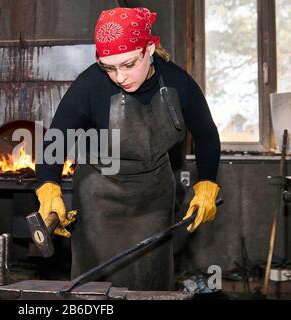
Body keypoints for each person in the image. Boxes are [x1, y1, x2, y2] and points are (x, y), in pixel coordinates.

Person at [35, 7, 221, 291]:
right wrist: (48, 186)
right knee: (95, 288)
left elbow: (207, 135)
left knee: (150, 282)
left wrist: (207, 182)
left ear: (149, 49)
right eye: (109, 67)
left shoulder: (177, 82)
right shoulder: (90, 85)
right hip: (100, 194)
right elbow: (55, 139)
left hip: (154, 196)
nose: (120, 77)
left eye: (128, 64)